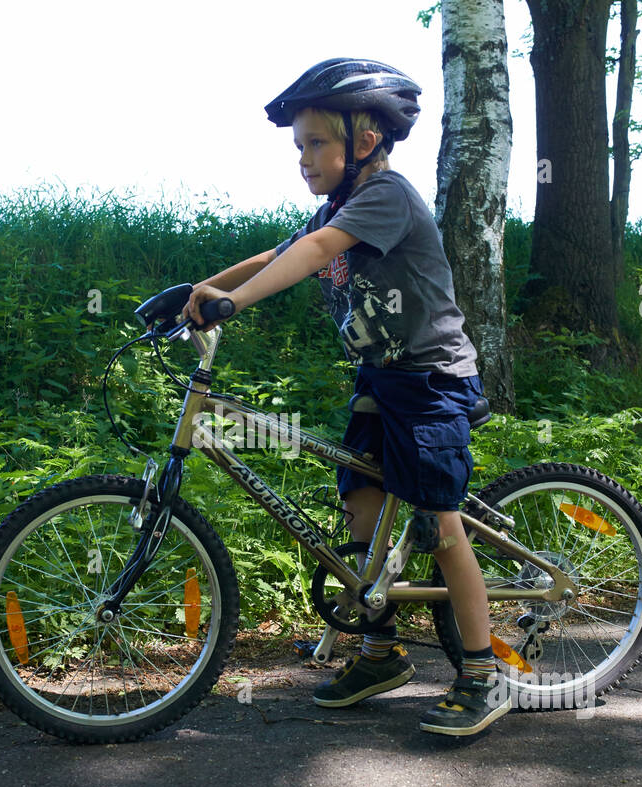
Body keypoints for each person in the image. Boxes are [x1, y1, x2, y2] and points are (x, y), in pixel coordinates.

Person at [182, 58, 507, 735]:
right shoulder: (339, 206)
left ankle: (483, 673)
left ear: (364, 140)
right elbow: (287, 249)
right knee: (362, 500)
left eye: (315, 143)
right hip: (383, 379)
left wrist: (234, 303)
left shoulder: (385, 197)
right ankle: (379, 650)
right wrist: (196, 288)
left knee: (438, 525)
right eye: (297, 145)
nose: (303, 158)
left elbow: (317, 250)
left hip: (431, 381)